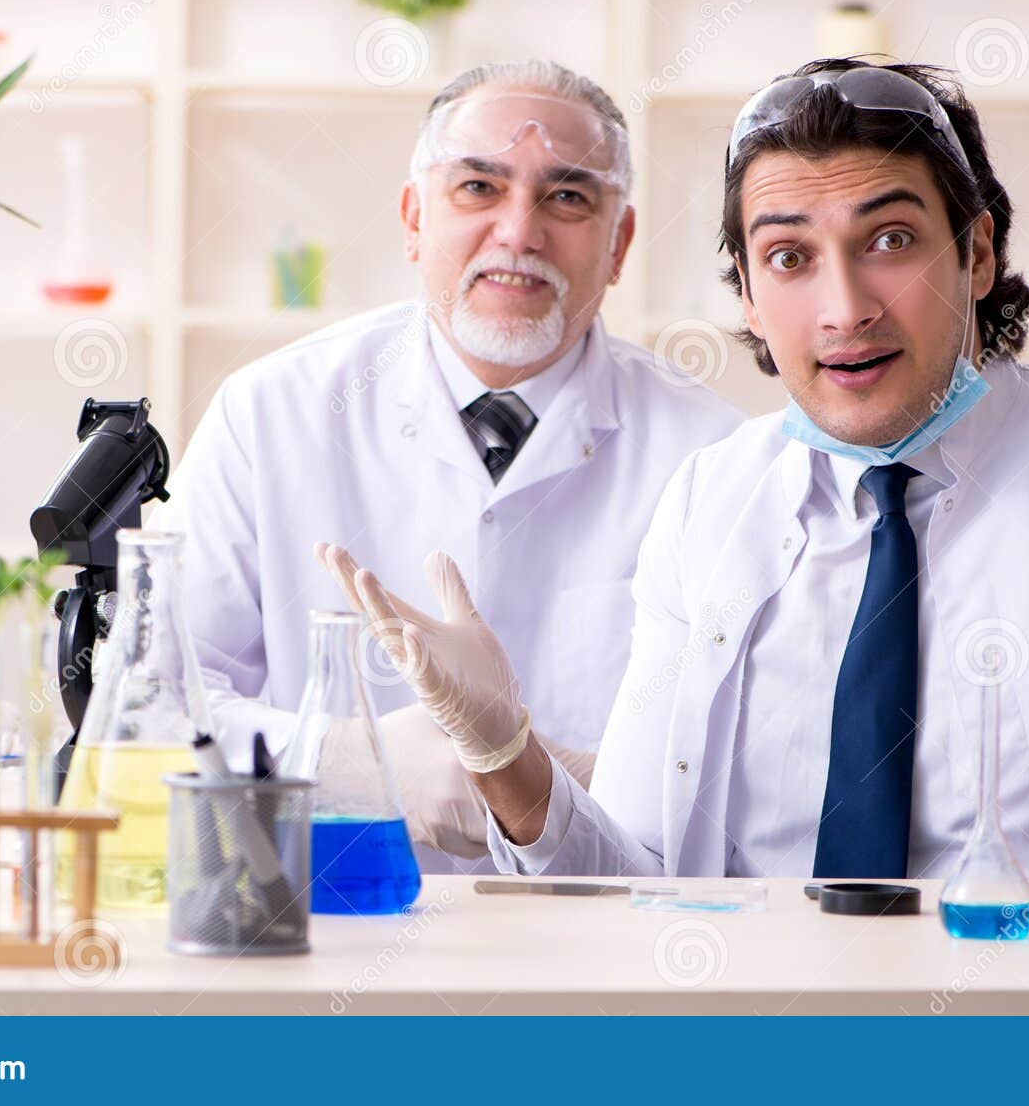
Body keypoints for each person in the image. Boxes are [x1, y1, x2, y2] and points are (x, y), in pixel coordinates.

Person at [318, 58, 1029, 880]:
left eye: (890, 238)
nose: (844, 306)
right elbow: (633, 887)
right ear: (752, 298)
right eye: (790, 257)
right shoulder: (709, 502)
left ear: (977, 255)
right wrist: (507, 755)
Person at [153, 59, 741, 872]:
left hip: (603, 952)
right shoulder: (268, 416)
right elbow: (154, 710)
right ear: (412, 218)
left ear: (619, 243)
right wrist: (351, 764)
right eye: (478, 188)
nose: (519, 231)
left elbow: (746, 781)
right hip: (321, 928)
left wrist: (552, 778)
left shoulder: (714, 457)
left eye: (568, 196)